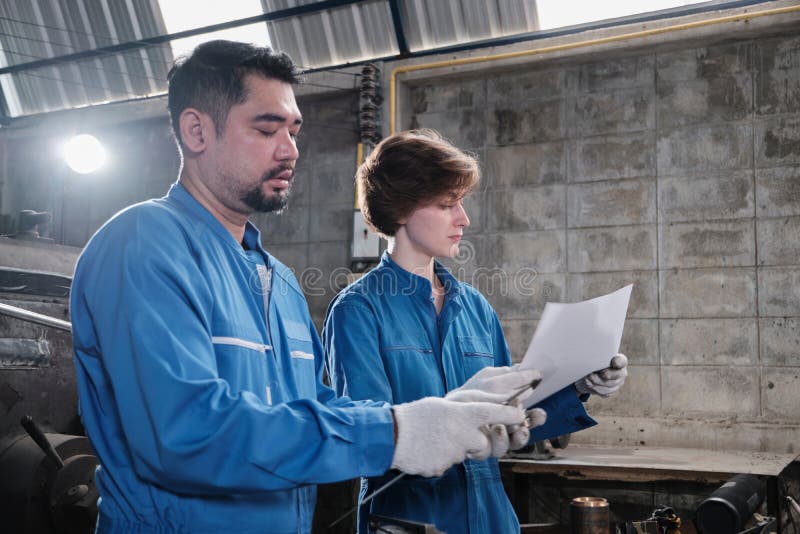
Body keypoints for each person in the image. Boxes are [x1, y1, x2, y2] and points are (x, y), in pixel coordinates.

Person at [69, 41, 531, 534]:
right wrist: (394, 432)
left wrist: (433, 414)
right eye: (267, 129)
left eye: (293, 131)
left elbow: (318, 406)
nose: (290, 150)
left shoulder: (281, 283)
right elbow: (187, 435)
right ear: (196, 130)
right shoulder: (144, 246)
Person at [323, 129, 629, 534]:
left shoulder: (475, 308)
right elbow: (365, 441)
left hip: (491, 519)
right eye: (448, 204)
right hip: (412, 519)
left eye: (461, 203)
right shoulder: (358, 311)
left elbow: (513, 418)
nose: (463, 218)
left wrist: (579, 383)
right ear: (400, 211)